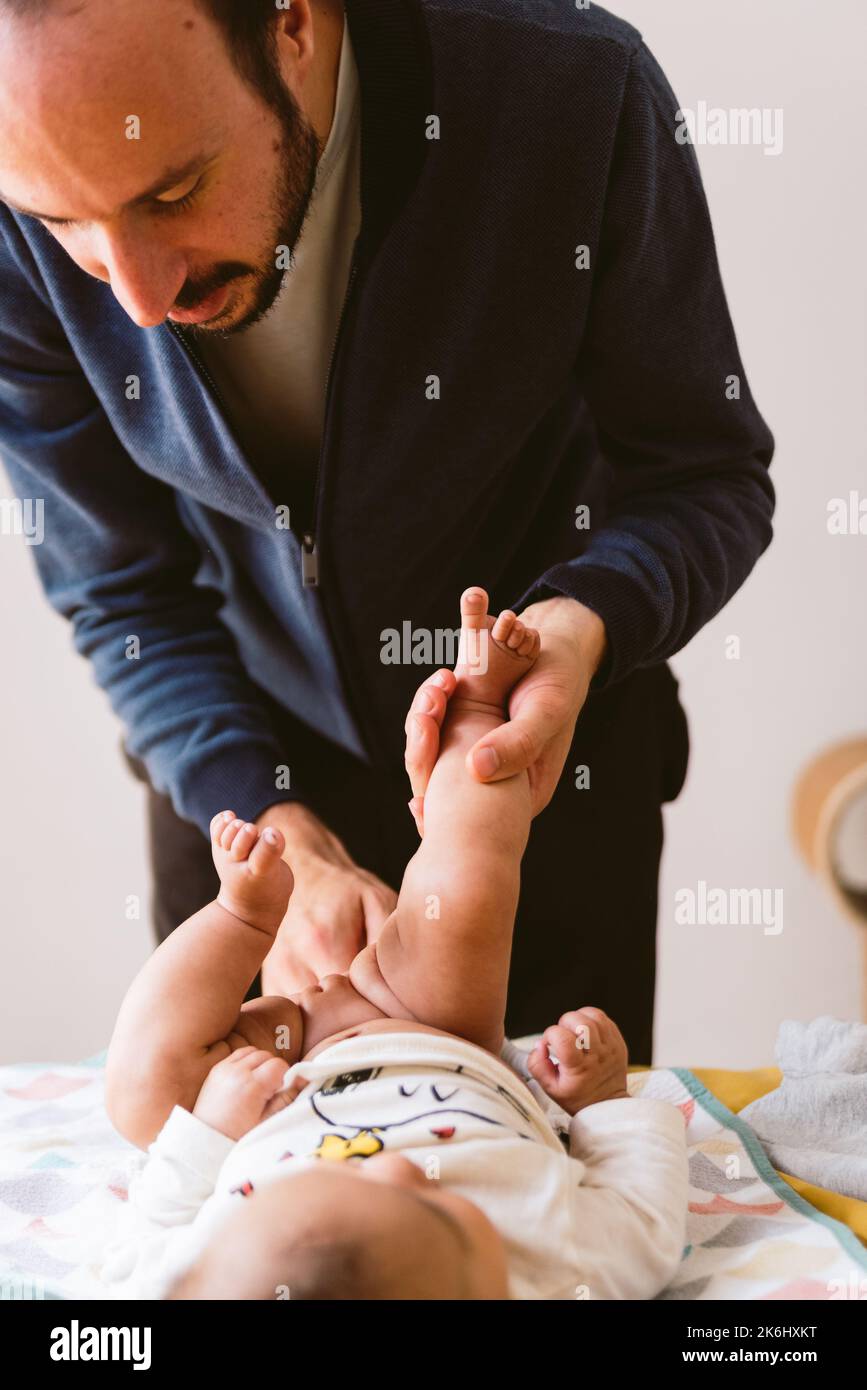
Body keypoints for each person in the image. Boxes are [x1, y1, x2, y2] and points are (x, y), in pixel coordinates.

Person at [0, 0, 775, 1060]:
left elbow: (706, 473)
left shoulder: (574, 94)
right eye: (65, 226)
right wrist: (264, 827)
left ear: (293, 21)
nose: (134, 297)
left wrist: (583, 623)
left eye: (173, 190)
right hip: (235, 786)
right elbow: (122, 589)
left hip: (541, 789)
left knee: (554, 1197)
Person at [102, 590, 689, 1300]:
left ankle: (242, 915)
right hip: (432, 1029)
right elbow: (643, 1210)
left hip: (263, 1074)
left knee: (142, 1093)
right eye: (437, 1211)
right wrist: (599, 1104)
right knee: (465, 890)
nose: (398, 1169)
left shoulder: (211, 1280)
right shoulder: (565, 1272)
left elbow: (149, 1242)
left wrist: (212, 1137)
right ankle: (480, 713)